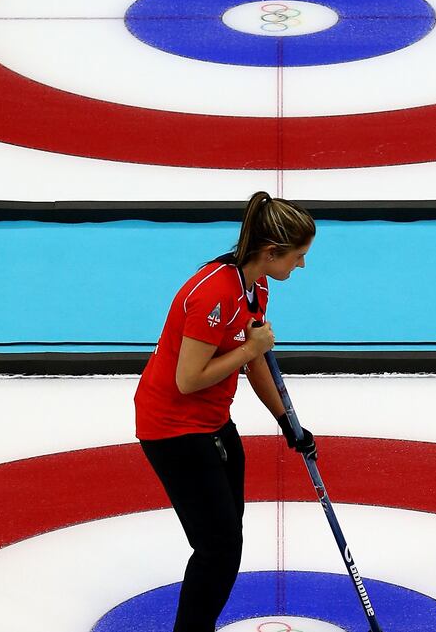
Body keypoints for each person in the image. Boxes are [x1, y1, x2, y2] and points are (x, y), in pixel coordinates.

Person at [134, 190, 318, 632]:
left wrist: (286, 422)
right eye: (297, 256)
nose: (302, 265)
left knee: (225, 541)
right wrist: (253, 346)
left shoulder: (256, 286)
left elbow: (253, 361)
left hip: (214, 421)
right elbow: (189, 379)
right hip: (173, 428)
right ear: (271, 251)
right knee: (217, 547)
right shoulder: (214, 295)